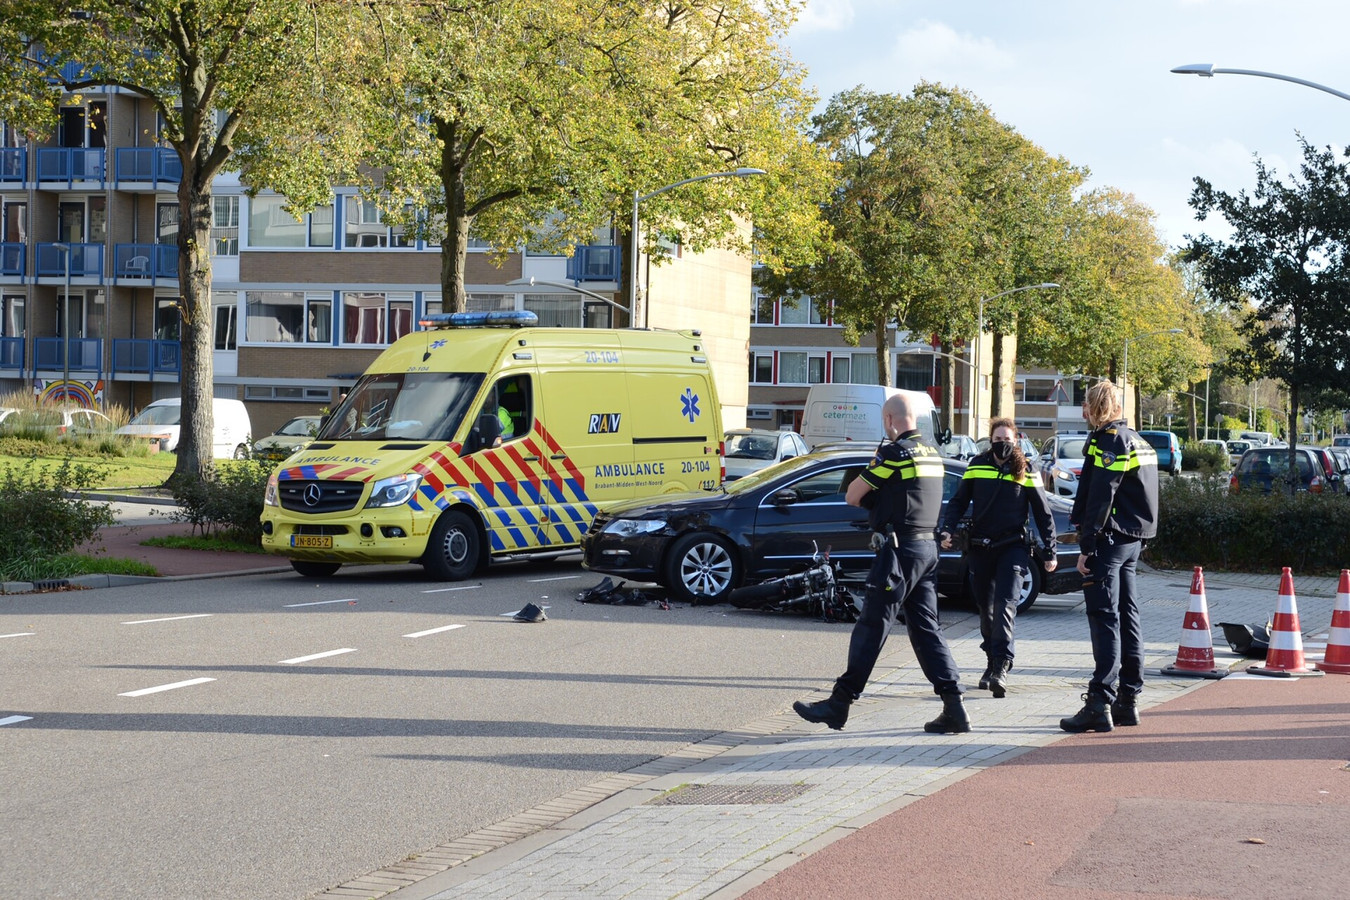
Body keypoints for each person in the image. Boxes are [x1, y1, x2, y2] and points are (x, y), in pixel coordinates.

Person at [794, 393, 969, 734]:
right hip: (927, 551)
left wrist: (875, 474)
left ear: (889, 420)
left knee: (872, 625)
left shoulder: (893, 453)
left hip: (898, 554)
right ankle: (954, 706)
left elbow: (852, 495)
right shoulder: (933, 453)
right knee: (926, 629)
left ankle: (839, 704)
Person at [1061, 381, 1159, 733]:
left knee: (1104, 618)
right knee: (1127, 616)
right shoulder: (1138, 439)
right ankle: (1128, 701)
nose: (1083, 411)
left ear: (1095, 407)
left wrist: (1087, 545)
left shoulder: (1110, 440)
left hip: (1110, 539)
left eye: (1085, 405)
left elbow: (1103, 493)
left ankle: (1099, 702)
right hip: (1133, 539)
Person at [938, 417, 1058, 698]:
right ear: (990, 441)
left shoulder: (1026, 469)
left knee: (1005, 605)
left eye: (1007, 440)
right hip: (980, 549)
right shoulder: (977, 465)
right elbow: (958, 502)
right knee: (985, 610)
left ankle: (1002, 666)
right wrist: (946, 529)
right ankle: (991, 662)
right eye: (997, 440)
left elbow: (1043, 513)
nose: (1002, 444)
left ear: (1015, 441)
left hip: (1013, 548)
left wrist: (1050, 550)